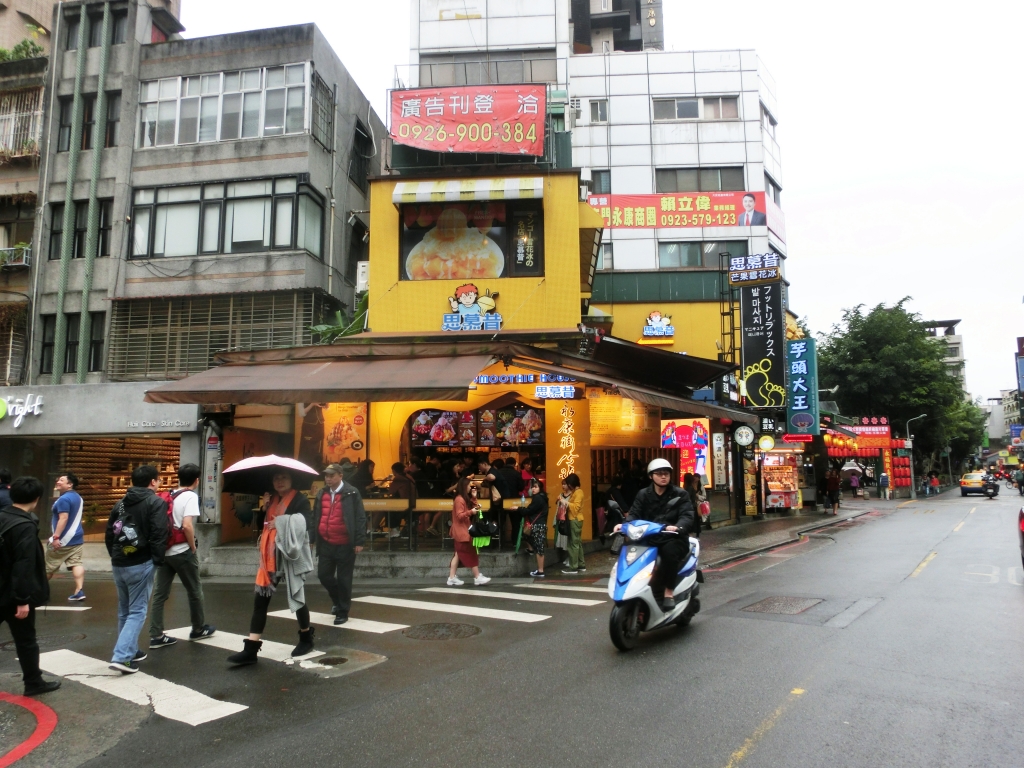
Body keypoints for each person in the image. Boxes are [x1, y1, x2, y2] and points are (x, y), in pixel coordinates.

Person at [228, 471, 315, 665]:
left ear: (292, 479)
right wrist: (264, 508)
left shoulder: (300, 500)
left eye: (284, 477)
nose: (279, 481)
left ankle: (306, 638)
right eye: (276, 478)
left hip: (289, 554)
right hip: (270, 555)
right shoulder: (271, 499)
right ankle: (251, 649)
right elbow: (264, 525)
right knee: (260, 600)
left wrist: (282, 522)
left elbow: (304, 523)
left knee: (296, 594)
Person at [0, 477, 61, 695]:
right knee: (26, 641)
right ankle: (34, 682)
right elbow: (23, 565)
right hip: (12, 594)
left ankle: (34, 682)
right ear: (37, 499)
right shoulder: (25, 525)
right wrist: (22, 599)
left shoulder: (3, 517)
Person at [105, 465, 168, 674]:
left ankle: (130, 650)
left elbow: (110, 532)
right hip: (141, 561)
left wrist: (114, 554)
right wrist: (157, 560)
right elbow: (159, 533)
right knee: (137, 611)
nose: (158, 483)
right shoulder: (156, 502)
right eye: (158, 480)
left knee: (125, 609)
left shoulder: (121, 503)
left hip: (119, 561)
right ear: (153, 482)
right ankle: (122, 656)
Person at [148, 464, 215, 649]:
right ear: (197, 480)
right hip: (182, 551)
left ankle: (156, 634)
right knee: (195, 590)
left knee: (160, 594)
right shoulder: (190, 496)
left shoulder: (169, 494)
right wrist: (193, 547)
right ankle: (198, 628)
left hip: (165, 551)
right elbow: (187, 525)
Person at [617, 458, 695, 608]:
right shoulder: (643, 494)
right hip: (649, 537)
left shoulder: (680, 494)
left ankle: (668, 592)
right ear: (650, 476)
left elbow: (687, 515)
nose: (663, 476)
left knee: (669, 553)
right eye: (659, 474)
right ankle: (630, 586)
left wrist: (678, 527)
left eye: (666, 473)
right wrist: (624, 525)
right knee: (627, 550)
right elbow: (634, 513)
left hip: (672, 538)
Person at [312, 463, 366, 626]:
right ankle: (338, 600)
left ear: (340, 476)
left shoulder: (352, 492)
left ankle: (342, 611)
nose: (328, 479)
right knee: (324, 576)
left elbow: (360, 517)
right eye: (326, 476)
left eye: (331, 476)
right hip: (326, 543)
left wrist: (359, 541)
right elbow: (316, 516)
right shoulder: (322, 493)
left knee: (344, 579)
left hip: (345, 544)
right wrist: (312, 538)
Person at [46, 472, 87, 602]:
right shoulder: (78, 498)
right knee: (76, 563)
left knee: (48, 567)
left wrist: (56, 537)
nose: (58, 482)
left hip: (63, 539)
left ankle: (38, 591)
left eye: (61, 480)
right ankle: (79, 590)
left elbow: (63, 518)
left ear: (70, 484)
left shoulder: (64, 499)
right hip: (77, 537)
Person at [447, 477, 490, 586]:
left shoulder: (462, 498)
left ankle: (452, 577)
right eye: (469, 485)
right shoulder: (459, 499)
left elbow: (475, 508)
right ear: (464, 486)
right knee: (471, 552)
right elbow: (459, 516)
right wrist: (471, 512)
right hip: (462, 531)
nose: (470, 488)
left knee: (458, 554)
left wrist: (474, 498)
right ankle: (477, 576)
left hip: (461, 530)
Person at [559, 473, 586, 575]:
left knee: (572, 544)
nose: (568, 486)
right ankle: (581, 565)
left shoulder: (578, 493)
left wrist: (565, 502)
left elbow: (575, 507)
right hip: (576, 519)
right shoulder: (577, 492)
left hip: (575, 519)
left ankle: (573, 567)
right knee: (577, 543)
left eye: (568, 484)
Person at [522, 478, 548, 578]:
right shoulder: (543, 497)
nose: (533, 489)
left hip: (538, 525)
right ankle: (531, 549)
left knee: (539, 548)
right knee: (527, 536)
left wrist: (518, 509)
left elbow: (529, 510)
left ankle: (540, 571)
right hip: (540, 525)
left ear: (540, 488)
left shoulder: (538, 498)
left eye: (535, 487)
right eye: (532, 487)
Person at [387, 462, 417, 537]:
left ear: (394, 470)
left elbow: (391, 491)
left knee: (387, 508)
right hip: (413, 503)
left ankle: (394, 529)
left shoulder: (398, 478)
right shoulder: (408, 476)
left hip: (405, 505)